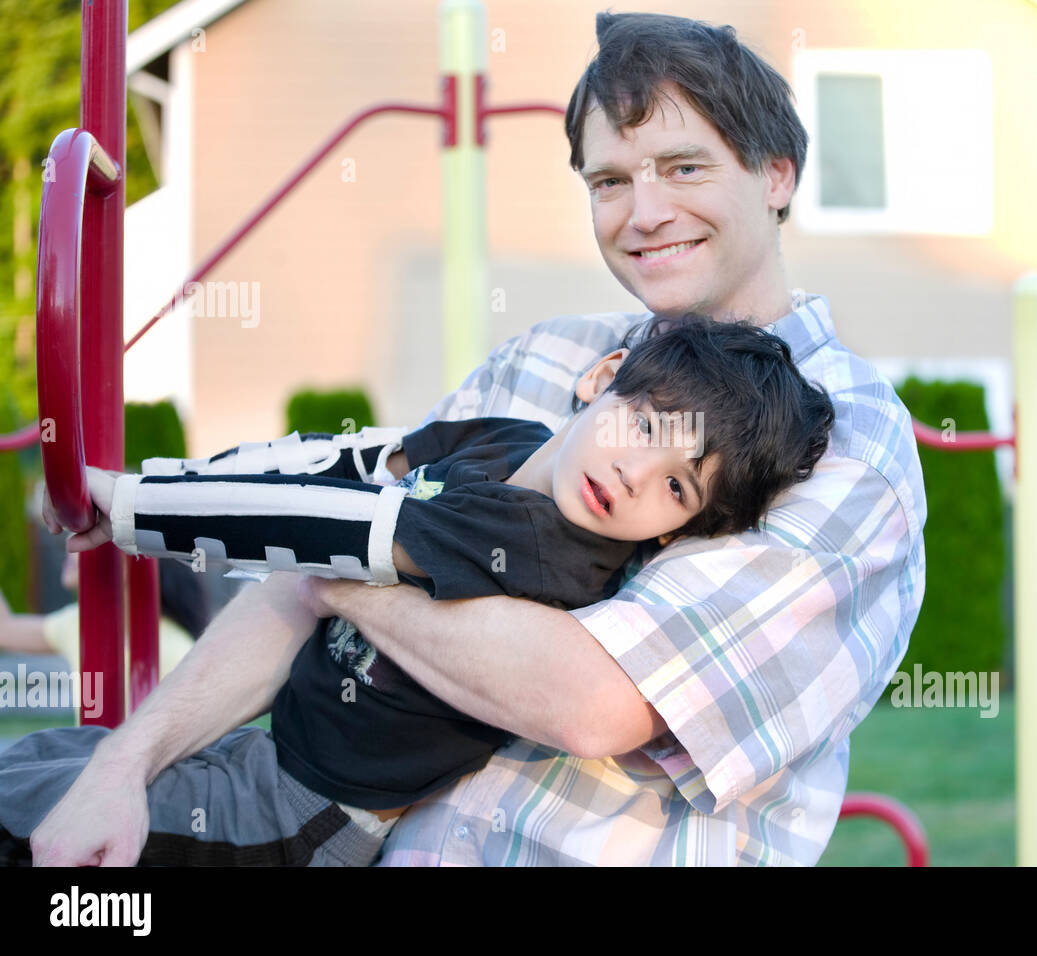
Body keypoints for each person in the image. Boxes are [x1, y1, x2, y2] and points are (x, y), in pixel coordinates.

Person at [20, 11, 926, 867]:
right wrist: (123, 769)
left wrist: (348, 562)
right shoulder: (551, 358)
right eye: (610, 180)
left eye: (683, 167)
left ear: (776, 174)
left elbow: (596, 701)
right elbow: (301, 564)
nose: (643, 212)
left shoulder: (842, 445)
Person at [2, 316, 835, 865]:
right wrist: (156, 486)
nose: (634, 471)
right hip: (257, 751)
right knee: (31, 767)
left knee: (37, 834)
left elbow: (325, 523)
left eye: (679, 490)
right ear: (602, 377)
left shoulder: (538, 549)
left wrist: (129, 506)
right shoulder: (503, 443)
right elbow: (338, 463)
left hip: (302, 818)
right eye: (646, 426)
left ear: (672, 531)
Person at [0, 551, 206, 676]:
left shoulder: (173, 651)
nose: (70, 548)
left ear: (131, 559)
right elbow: (5, 630)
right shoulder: (81, 622)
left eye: (86, 536)